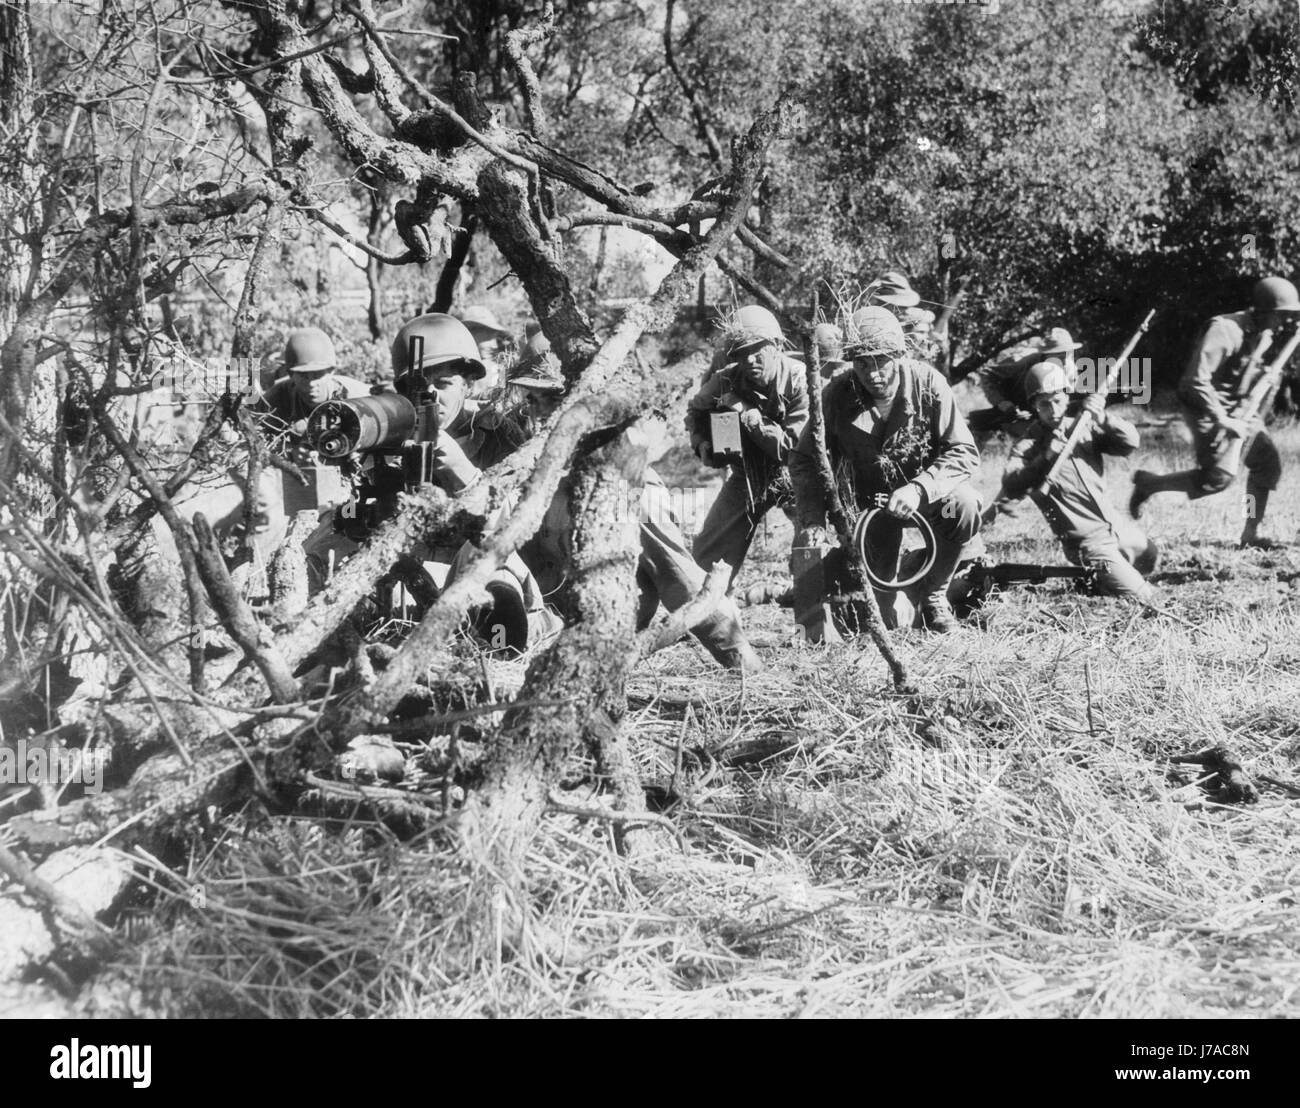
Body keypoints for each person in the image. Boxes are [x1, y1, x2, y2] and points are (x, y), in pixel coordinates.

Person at [789, 306, 981, 635]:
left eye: (881, 361)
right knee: (880, 619)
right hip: (872, 513)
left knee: (963, 505)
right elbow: (805, 458)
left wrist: (919, 489)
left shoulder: (928, 384)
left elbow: (963, 451)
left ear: (899, 355)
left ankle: (934, 595)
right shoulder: (837, 394)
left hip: (932, 504)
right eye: (862, 363)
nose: (873, 373)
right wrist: (813, 519)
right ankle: (907, 572)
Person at [1130, 276, 1300, 548]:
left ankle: (1250, 533)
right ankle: (1150, 484)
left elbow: (1239, 371)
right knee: (1217, 479)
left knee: (1266, 465)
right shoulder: (1225, 330)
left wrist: (1264, 376)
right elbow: (1194, 381)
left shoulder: (1264, 334)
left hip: (1241, 408)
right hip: (1206, 409)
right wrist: (1223, 419)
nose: (1285, 323)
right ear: (1264, 311)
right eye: (1282, 316)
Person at [989, 361, 1157, 600]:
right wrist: (1045, 458)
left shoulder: (1083, 425)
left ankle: (1099, 580)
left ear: (1067, 397)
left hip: (1115, 526)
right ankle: (1099, 578)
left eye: (1057, 400)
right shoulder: (1028, 445)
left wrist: (1103, 418)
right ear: (1034, 406)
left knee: (1150, 557)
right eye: (1044, 404)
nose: (1053, 410)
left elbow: (1130, 443)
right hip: (1088, 543)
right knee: (1143, 596)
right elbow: (1011, 483)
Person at [686, 307, 809, 587]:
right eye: (742, 353)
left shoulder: (798, 379)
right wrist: (702, 443)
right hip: (747, 475)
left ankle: (809, 609)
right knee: (706, 554)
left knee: (811, 550)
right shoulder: (726, 378)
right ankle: (707, 610)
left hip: (799, 475)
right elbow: (695, 410)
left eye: (757, 350)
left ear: (777, 346)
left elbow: (791, 450)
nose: (750, 360)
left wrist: (748, 414)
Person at [968, 328, 1082, 440]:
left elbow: (1068, 399)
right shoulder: (1022, 361)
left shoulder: (1070, 370)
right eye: (1058, 356)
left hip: (1042, 410)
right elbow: (987, 374)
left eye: (1067, 355)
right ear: (1045, 355)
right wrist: (1001, 402)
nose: (1064, 361)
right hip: (1013, 406)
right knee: (977, 427)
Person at [456, 305, 515, 396]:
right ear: (470, 333)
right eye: (487, 336)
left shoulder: (498, 369)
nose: (494, 345)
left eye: (494, 337)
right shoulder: (455, 366)